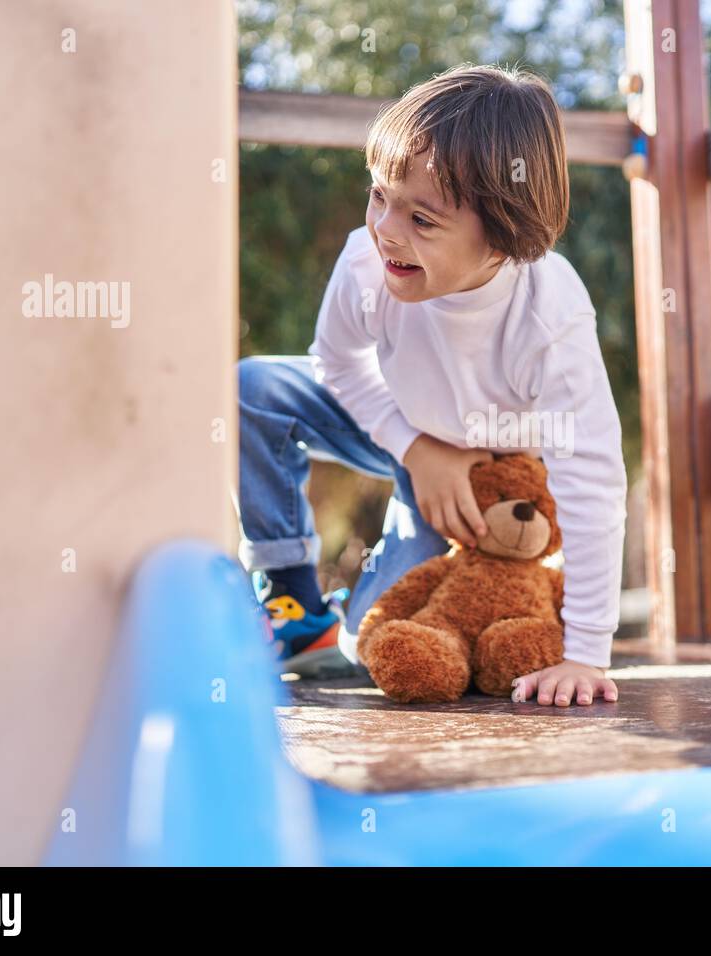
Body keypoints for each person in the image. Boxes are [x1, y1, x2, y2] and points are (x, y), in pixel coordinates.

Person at [238, 64, 625, 707]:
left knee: (373, 648)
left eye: (422, 219)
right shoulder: (370, 261)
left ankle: (374, 623)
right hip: (399, 425)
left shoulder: (547, 318)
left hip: (487, 471)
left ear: (505, 238)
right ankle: (294, 606)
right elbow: (336, 365)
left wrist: (586, 652)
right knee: (252, 389)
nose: (385, 228)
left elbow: (591, 478)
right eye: (379, 195)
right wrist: (417, 449)